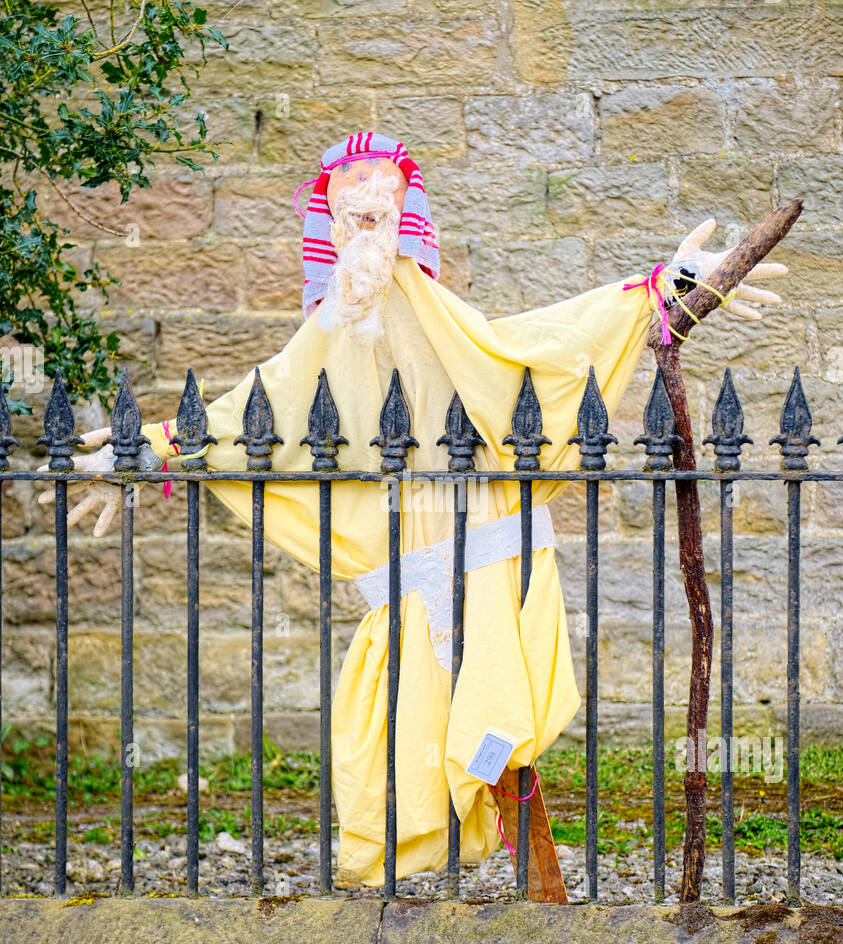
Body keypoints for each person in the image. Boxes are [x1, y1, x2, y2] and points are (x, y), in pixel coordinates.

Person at [40, 132, 787, 895]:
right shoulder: (322, 348)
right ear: (330, 229)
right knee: (421, 732)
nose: (367, 233)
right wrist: (142, 452)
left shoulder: (445, 325)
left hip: (491, 559)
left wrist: (663, 289)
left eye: (381, 213)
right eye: (351, 216)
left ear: (405, 220)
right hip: (411, 577)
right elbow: (252, 414)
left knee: (497, 729)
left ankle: (543, 885)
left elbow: (538, 348)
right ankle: (499, 880)